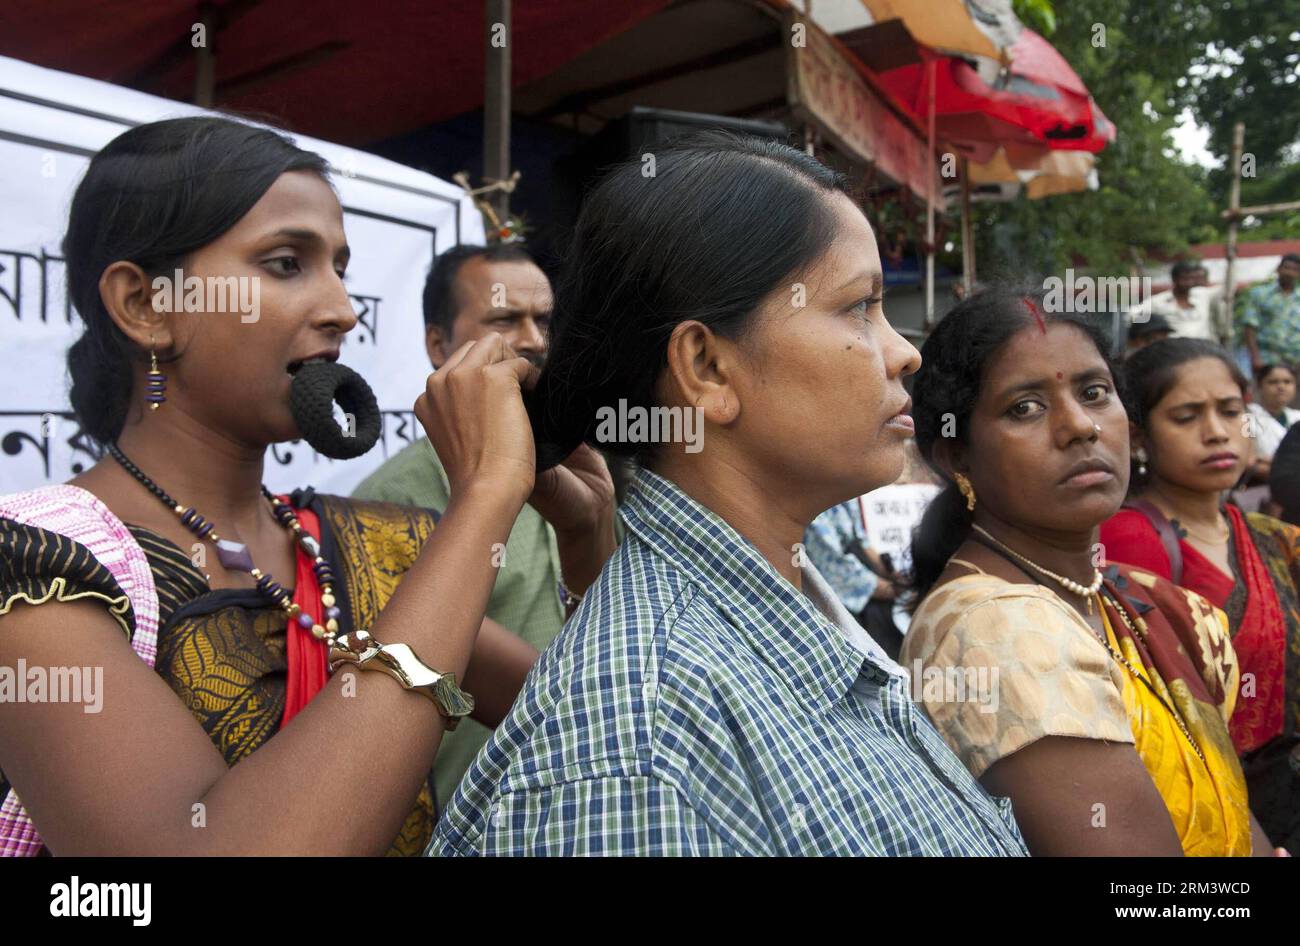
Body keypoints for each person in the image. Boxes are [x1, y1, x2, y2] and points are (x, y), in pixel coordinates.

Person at [0, 117, 613, 855]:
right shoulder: (38, 570)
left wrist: (586, 540)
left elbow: (592, 723)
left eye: (341, 269)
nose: (343, 311)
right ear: (146, 306)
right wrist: (483, 497)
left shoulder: (370, 545)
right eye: (287, 263)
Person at [429, 133, 1028, 856]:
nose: (905, 351)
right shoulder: (641, 739)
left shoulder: (768, 631)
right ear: (707, 367)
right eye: (857, 308)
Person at [901, 289, 1275, 856]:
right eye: (1024, 407)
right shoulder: (996, 629)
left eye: (1095, 393)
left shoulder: (1132, 598)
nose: (1080, 426)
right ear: (956, 458)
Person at [352, 243, 613, 808]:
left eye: (545, 321)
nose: (535, 340)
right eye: (504, 319)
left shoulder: (583, 466)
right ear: (439, 345)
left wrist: (588, 529)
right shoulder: (389, 504)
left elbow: (607, 651)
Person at [1099, 338, 1300, 853]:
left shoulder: (1273, 538)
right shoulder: (1129, 541)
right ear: (1140, 437)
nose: (1216, 433)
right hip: (1212, 817)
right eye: (1187, 417)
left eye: (1231, 412)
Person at [802, 501, 899, 657]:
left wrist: (891, 573)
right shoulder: (813, 511)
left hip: (869, 582)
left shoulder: (848, 496)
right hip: (849, 602)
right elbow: (837, 569)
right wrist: (898, 590)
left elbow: (862, 540)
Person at [1239, 254, 1300, 374]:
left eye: (1295, 270)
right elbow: (1250, 327)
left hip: (1296, 359)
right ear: (1278, 269)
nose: (1290, 273)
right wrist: (1255, 357)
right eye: (1287, 268)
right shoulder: (1259, 294)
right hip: (1267, 358)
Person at [1245, 362, 1300, 481]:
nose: (1281, 387)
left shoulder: (1297, 417)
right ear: (1260, 386)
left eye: (1287, 382)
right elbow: (1247, 460)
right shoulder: (1248, 417)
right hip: (1260, 485)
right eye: (1273, 382)